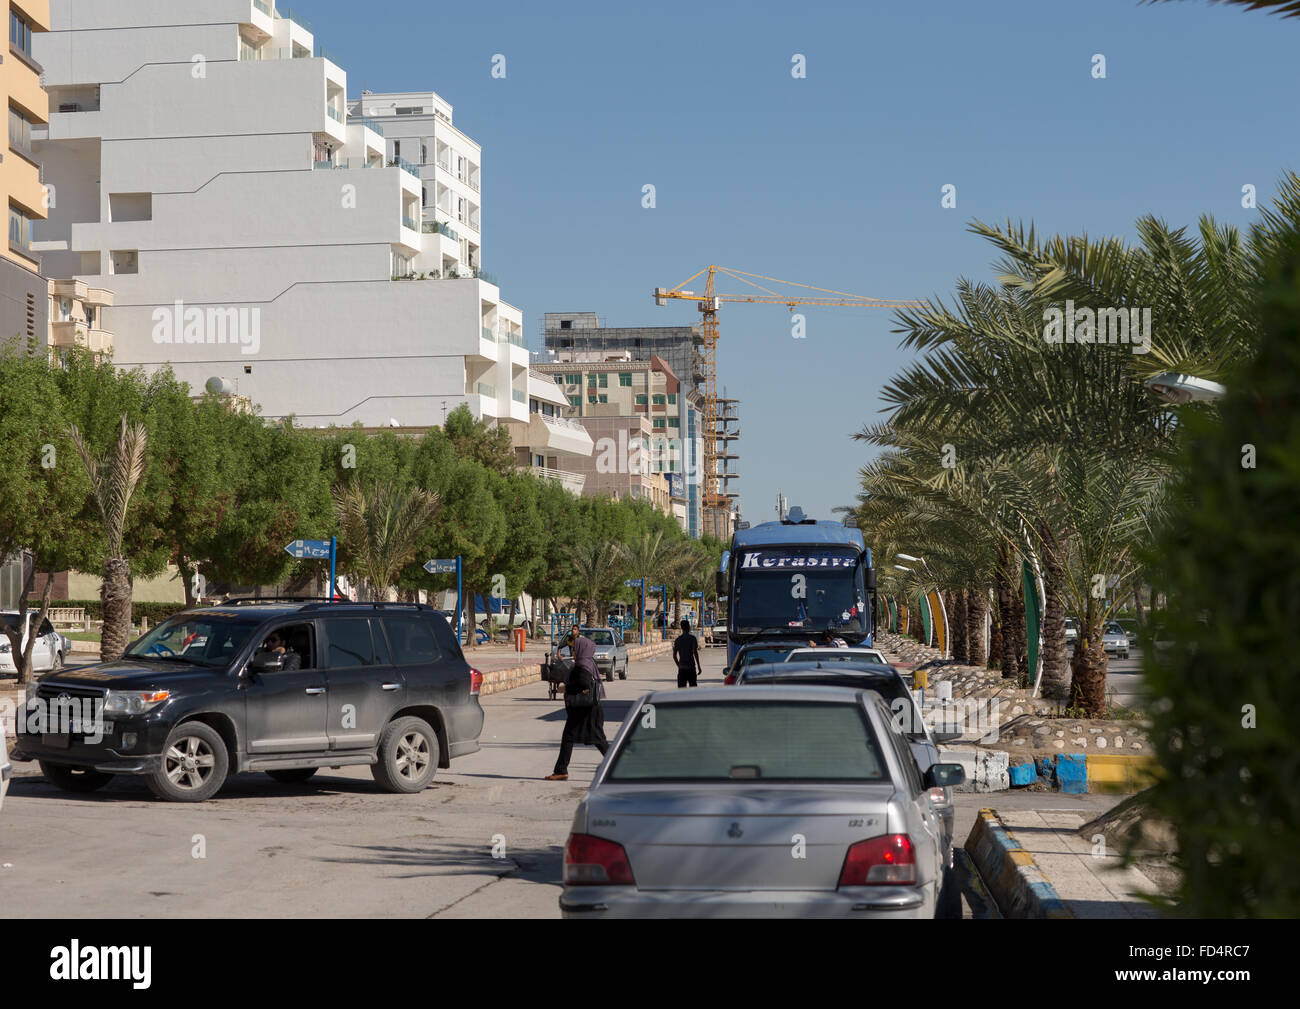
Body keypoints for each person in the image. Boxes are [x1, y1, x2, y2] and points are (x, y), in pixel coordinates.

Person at [545, 631, 608, 780]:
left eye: (574, 648)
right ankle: (561, 770)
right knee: (576, 737)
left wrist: (566, 688)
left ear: (581, 649)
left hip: (585, 710)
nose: (572, 650)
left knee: (596, 739)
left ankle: (621, 766)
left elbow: (584, 683)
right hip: (587, 709)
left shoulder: (582, 665)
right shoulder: (587, 661)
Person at [672, 619, 702, 688]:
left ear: (681, 628)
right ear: (688, 627)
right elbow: (695, 653)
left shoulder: (678, 640)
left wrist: (679, 665)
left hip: (682, 668)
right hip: (691, 667)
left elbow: (674, 655)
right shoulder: (692, 638)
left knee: (681, 691)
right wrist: (699, 667)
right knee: (693, 689)